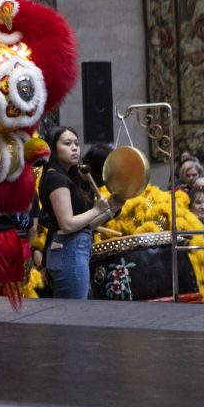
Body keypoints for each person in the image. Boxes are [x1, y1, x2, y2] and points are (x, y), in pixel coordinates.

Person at [38, 127, 121, 299]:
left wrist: (111, 208)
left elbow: (85, 226)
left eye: (76, 143)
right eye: (67, 144)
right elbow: (67, 224)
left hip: (73, 250)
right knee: (72, 315)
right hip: (69, 252)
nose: (75, 148)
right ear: (53, 149)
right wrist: (96, 209)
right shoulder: (56, 178)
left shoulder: (66, 177)